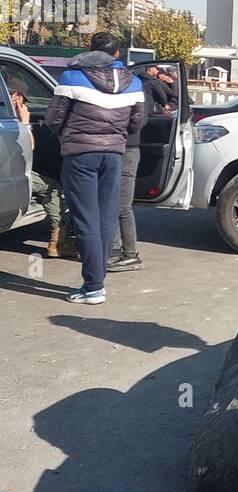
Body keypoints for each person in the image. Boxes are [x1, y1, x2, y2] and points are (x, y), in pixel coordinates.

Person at [43, 31, 145, 304]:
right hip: (114, 155)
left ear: (90, 51)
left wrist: (68, 136)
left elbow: (54, 118)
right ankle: (97, 283)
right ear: (117, 54)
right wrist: (116, 136)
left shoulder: (71, 77)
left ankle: (93, 286)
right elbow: (137, 123)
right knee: (106, 218)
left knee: (86, 220)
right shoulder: (134, 82)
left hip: (80, 156)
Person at [10, 88, 64, 258]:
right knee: (52, 188)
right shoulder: (9, 120)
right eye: (18, 98)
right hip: (12, 173)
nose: (20, 103)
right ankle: (59, 242)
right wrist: (25, 122)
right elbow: (30, 147)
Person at [107, 73, 148, 273]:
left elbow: (138, 122)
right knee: (116, 204)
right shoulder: (135, 90)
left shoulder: (124, 93)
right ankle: (117, 252)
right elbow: (139, 121)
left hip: (125, 150)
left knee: (120, 206)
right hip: (125, 148)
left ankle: (127, 254)